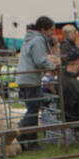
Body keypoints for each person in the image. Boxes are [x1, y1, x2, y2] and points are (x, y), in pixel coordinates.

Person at [15, 15, 58, 150]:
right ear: (43, 29)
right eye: (51, 30)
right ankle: (18, 136)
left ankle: (27, 140)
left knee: (32, 110)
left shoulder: (30, 38)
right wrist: (53, 66)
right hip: (31, 79)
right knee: (33, 112)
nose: (52, 33)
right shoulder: (38, 39)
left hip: (24, 78)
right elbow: (39, 60)